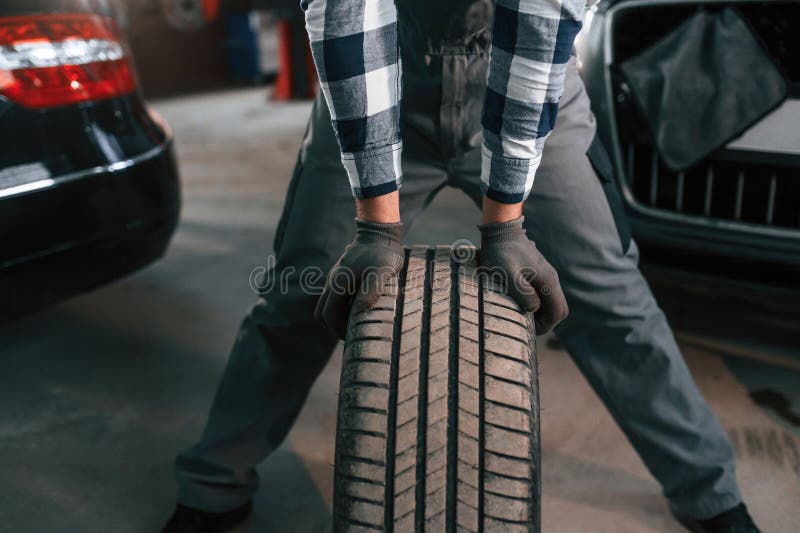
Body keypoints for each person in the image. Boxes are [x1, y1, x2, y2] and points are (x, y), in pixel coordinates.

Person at [162, 1, 761, 532]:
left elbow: (539, 17)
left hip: (528, 87)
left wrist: (506, 224)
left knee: (608, 297)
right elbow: (349, 11)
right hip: (379, 80)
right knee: (303, 291)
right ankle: (215, 483)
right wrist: (376, 224)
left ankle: (708, 490)